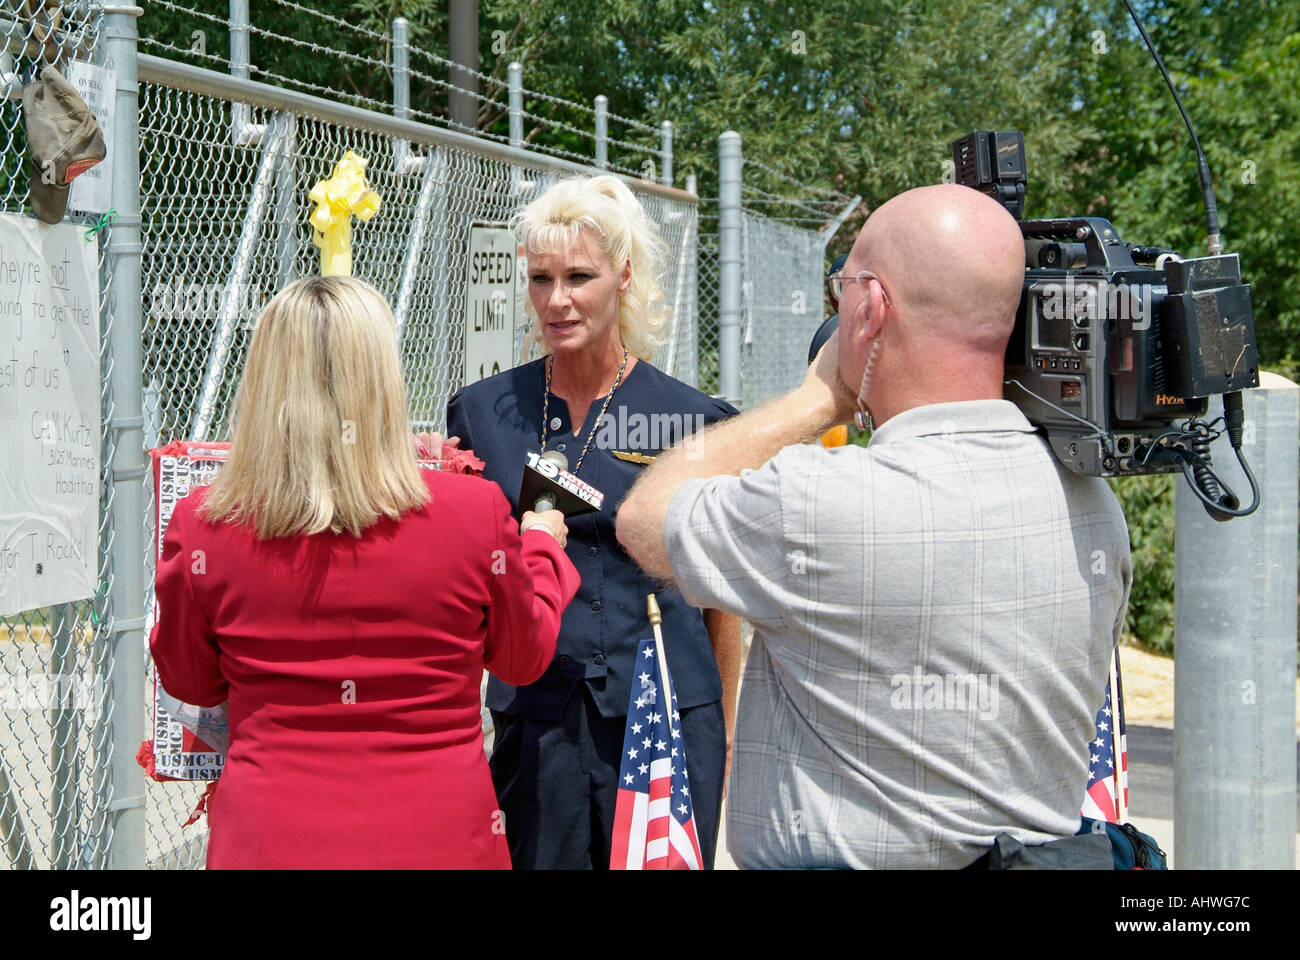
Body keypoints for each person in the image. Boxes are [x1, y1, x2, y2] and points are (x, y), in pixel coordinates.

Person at [616, 184, 1133, 869]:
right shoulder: (1095, 505)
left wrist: (815, 399)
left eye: (843, 292)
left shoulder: (818, 505)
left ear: (872, 307)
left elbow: (645, 518)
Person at [148, 276, 580, 869]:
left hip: (271, 837)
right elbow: (522, 657)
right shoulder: (473, 511)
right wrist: (541, 547)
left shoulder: (205, 523)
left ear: (265, 381)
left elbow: (192, 684)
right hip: (439, 836)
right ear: (381, 379)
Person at [445, 175, 741, 869]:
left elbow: (719, 598)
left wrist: (725, 723)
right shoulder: (484, 412)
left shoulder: (692, 419)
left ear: (624, 277)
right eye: (540, 278)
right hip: (535, 718)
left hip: (666, 716)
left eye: (579, 276)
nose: (557, 299)